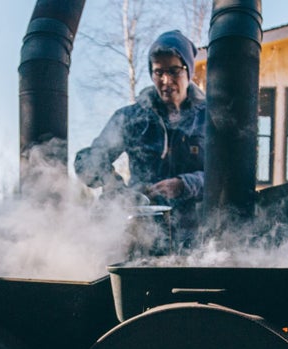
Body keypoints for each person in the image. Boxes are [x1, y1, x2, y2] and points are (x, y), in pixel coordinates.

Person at [74, 29, 206, 246]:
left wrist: (185, 184)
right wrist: (114, 186)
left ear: (188, 71)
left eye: (174, 71)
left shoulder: (208, 119)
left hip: (197, 236)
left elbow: (225, 179)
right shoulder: (132, 118)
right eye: (158, 72)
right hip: (140, 235)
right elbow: (88, 160)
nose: (166, 80)